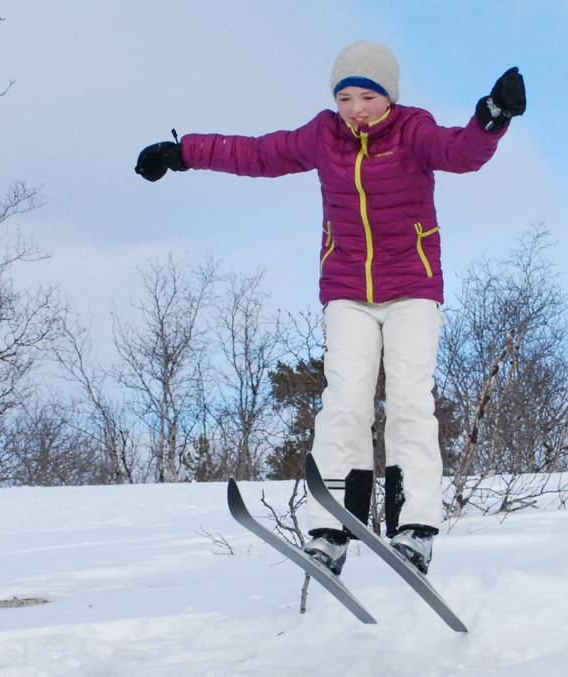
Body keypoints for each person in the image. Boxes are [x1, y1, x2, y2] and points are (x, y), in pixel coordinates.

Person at [135, 41, 525, 575]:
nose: (356, 108)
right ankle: (332, 529)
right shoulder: (323, 136)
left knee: (410, 398)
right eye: (345, 97)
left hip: (412, 288)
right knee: (344, 401)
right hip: (347, 290)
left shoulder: (412, 130)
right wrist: (184, 153)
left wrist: (491, 117)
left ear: (389, 96)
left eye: (367, 96)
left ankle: (413, 527)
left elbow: (460, 152)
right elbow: (258, 153)